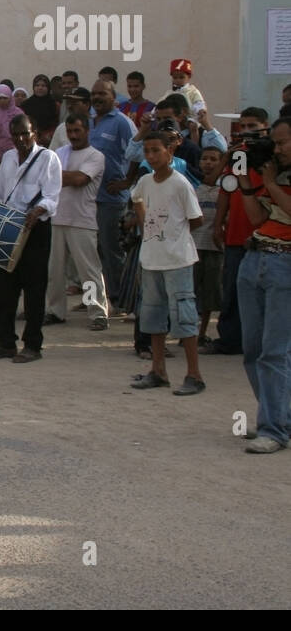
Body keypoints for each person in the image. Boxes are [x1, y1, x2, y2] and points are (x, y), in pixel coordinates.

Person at [0, 114, 62, 363]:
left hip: (35, 229)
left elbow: (52, 196)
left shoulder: (48, 158)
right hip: (7, 226)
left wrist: (38, 210)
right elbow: (0, 193)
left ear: (34, 133)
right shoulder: (9, 158)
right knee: (3, 287)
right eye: (16, 135)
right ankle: (5, 342)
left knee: (34, 288)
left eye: (25, 133)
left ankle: (33, 345)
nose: (21, 139)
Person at [129, 132, 204, 395]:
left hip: (177, 260)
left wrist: (174, 235)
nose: (150, 156)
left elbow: (196, 219)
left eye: (156, 150)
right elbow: (136, 198)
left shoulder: (180, 184)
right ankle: (158, 370)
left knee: (184, 316)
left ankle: (194, 374)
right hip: (151, 260)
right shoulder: (146, 181)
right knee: (153, 316)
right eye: (147, 151)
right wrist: (145, 225)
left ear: (169, 152)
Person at [233, 118, 291, 452]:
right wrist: (245, 183)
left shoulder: (276, 178)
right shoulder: (273, 173)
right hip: (255, 257)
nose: (277, 148)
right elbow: (257, 219)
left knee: (275, 352)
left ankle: (273, 429)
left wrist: (270, 183)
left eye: (283, 143)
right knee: (253, 350)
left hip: (285, 264)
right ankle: (279, 416)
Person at [206, 107, 270, 355]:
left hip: (264, 234)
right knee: (231, 289)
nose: (246, 131)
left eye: (252, 126)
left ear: (265, 126)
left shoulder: (272, 156)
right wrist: (218, 223)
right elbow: (224, 189)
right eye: (242, 126)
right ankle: (230, 339)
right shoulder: (240, 156)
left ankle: (260, 342)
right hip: (236, 233)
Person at [43, 114, 108, 330]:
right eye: (70, 132)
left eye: (77, 131)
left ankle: (97, 312)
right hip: (56, 219)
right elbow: (46, 178)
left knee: (88, 271)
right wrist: (57, 176)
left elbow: (80, 180)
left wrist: (54, 176)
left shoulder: (95, 156)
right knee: (54, 271)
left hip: (82, 220)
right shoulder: (60, 152)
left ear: (87, 131)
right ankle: (55, 311)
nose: (73, 136)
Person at [87, 80, 136, 311]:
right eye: (94, 94)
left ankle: (119, 299)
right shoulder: (88, 122)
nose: (97, 97)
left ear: (113, 97)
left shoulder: (121, 123)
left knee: (112, 250)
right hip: (88, 199)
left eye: (102, 94)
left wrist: (127, 181)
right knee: (93, 252)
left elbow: (138, 153)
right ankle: (98, 298)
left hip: (112, 200)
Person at [192, 146, 224, 345]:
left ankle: (201, 332)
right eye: (205, 159)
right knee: (191, 291)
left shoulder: (225, 188)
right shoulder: (193, 187)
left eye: (214, 159)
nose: (209, 163)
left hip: (214, 247)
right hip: (194, 245)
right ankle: (188, 332)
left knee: (210, 293)